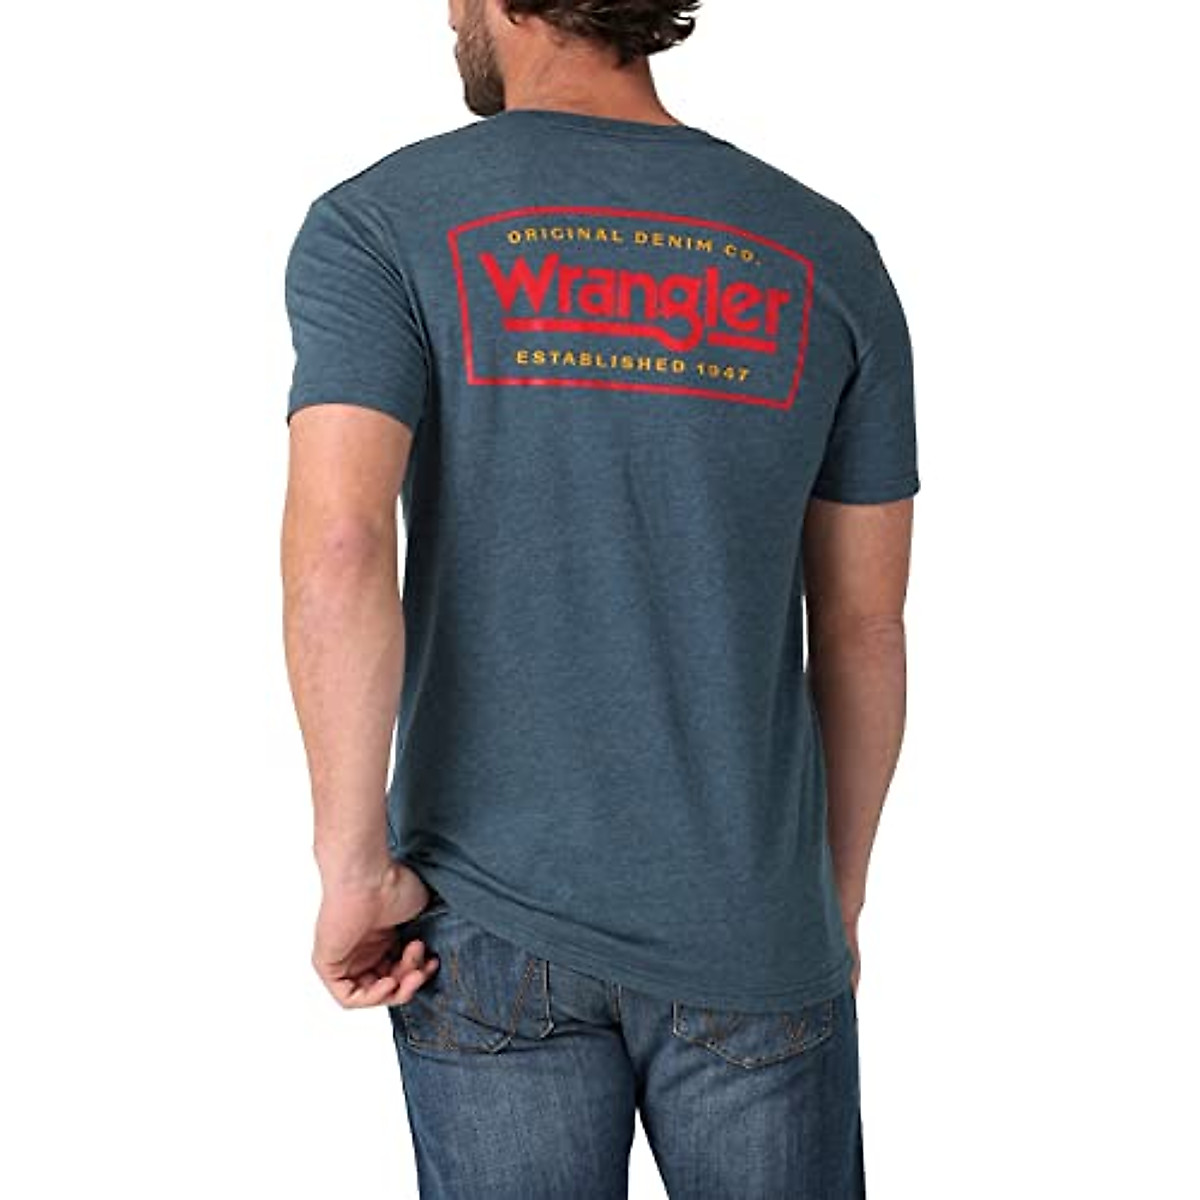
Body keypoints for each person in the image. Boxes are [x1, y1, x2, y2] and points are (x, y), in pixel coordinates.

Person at [281, 1, 919, 1195]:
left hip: (486, 918)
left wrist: (351, 867)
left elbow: (341, 547)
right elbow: (863, 627)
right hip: (750, 919)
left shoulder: (384, 222)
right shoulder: (824, 250)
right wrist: (826, 910)